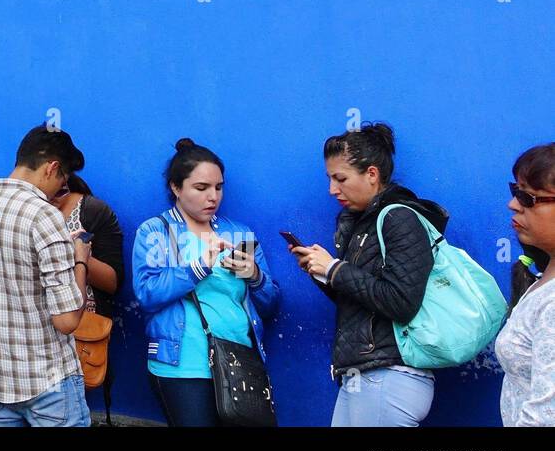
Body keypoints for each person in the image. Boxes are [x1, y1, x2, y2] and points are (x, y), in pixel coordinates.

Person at [292, 122, 444, 427]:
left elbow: (401, 301)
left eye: (340, 178)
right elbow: (363, 300)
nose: (332, 190)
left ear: (371, 174)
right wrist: (322, 272)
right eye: (330, 179)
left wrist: (335, 268)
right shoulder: (362, 222)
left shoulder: (399, 218)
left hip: (390, 376)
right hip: (366, 374)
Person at [132, 140, 281, 426]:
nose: (212, 197)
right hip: (183, 366)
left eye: (219, 187)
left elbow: (270, 304)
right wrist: (198, 267)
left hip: (239, 360)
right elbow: (147, 293)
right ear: (176, 188)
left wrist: (255, 277)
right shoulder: (158, 232)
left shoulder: (238, 233)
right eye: (201, 188)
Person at [0, 124, 91, 427]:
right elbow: (68, 320)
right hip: (49, 385)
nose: (60, 189)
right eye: (63, 180)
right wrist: (80, 262)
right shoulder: (45, 216)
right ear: (52, 168)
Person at [50, 172, 125, 415]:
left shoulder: (91, 211)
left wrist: (77, 255)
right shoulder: (25, 207)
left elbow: (113, 282)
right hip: (30, 333)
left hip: (78, 334)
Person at [497, 143, 555, 426]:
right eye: (515, 191)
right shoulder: (543, 284)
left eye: (528, 197)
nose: (513, 203)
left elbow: (548, 415)